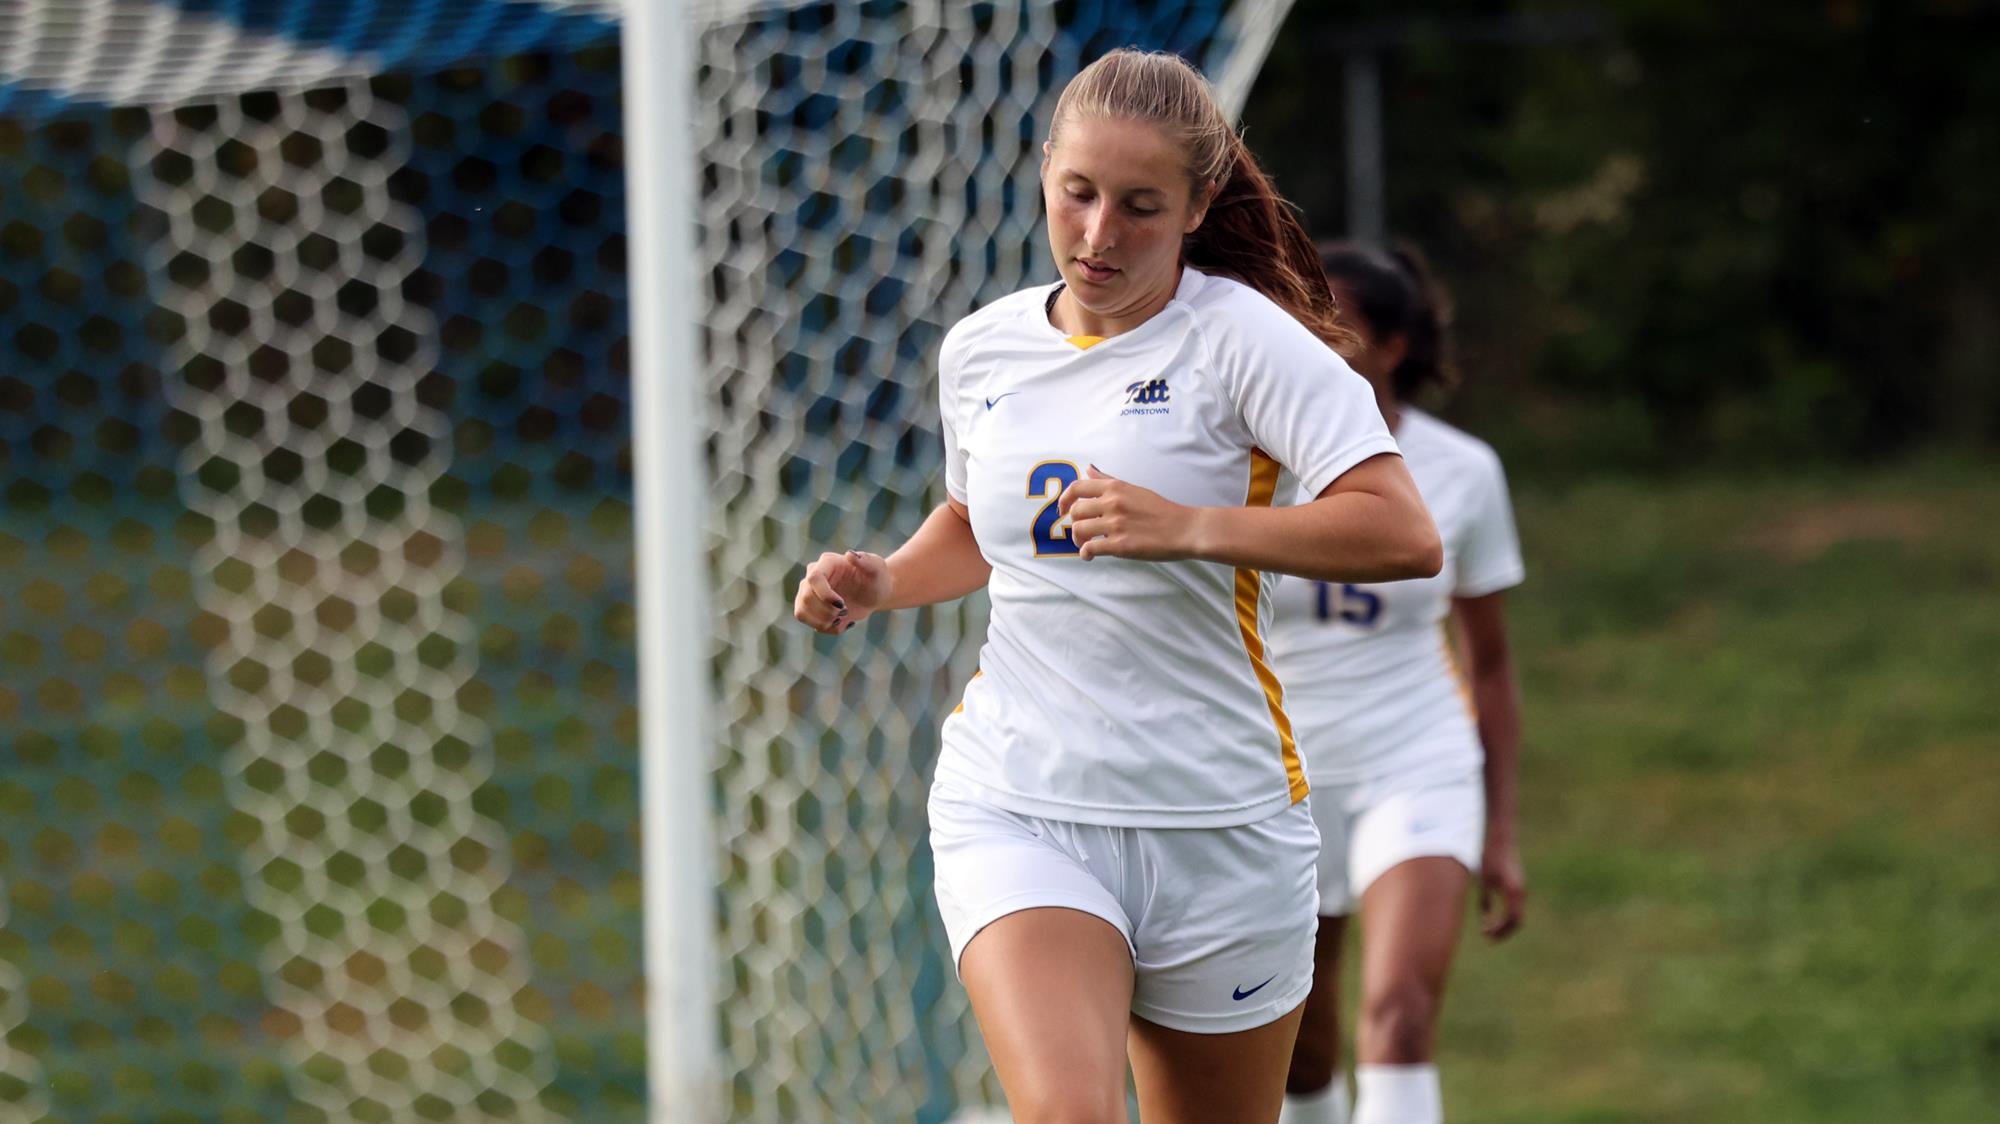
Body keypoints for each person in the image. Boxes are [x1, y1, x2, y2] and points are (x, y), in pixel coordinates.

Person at [793, 49, 1443, 1124]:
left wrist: (1189, 527)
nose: (1098, 235)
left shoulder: (1245, 344)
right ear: (1044, 169)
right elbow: (980, 520)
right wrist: (886, 577)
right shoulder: (980, 350)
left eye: (1140, 207)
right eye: (1078, 194)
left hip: (1217, 823)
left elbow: (1401, 532)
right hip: (1021, 801)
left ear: (1196, 205)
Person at [1272, 244, 1528, 1124]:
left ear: (1390, 347)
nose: (1310, 336)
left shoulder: (1463, 470)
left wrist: (1501, 832)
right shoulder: (1245, 460)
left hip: (1413, 763)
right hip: (1278, 779)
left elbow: (1489, 663)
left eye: (1334, 319)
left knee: (1399, 1015)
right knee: (1296, 1044)